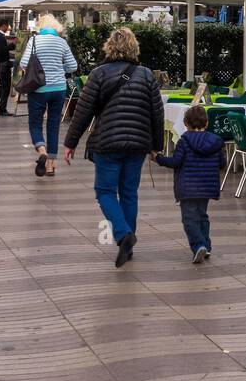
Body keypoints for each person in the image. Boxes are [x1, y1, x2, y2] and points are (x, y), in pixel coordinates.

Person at [63, 27, 163, 268]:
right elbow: (157, 113)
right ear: (134, 47)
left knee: (105, 192)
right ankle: (127, 242)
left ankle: (122, 233)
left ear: (109, 46)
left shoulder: (98, 74)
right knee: (129, 192)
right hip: (138, 143)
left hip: (107, 143)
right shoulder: (147, 75)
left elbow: (83, 112)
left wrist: (70, 143)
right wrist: (156, 146)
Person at [154, 105, 225, 263]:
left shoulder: (184, 141)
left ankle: (198, 245)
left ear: (185, 123)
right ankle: (206, 246)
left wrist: (158, 158)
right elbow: (222, 163)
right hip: (207, 186)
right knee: (202, 216)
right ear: (206, 123)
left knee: (189, 219)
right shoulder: (215, 141)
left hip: (188, 187)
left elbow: (175, 162)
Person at [19, 13, 78, 176]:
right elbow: (73, 66)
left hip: (38, 88)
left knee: (35, 123)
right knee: (53, 125)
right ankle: (51, 165)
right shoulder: (62, 42)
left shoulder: (34, 41)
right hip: (59, 88)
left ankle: (42, 151)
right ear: (56, 27)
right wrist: (59, 70)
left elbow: (23, 63)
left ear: (40, 27)